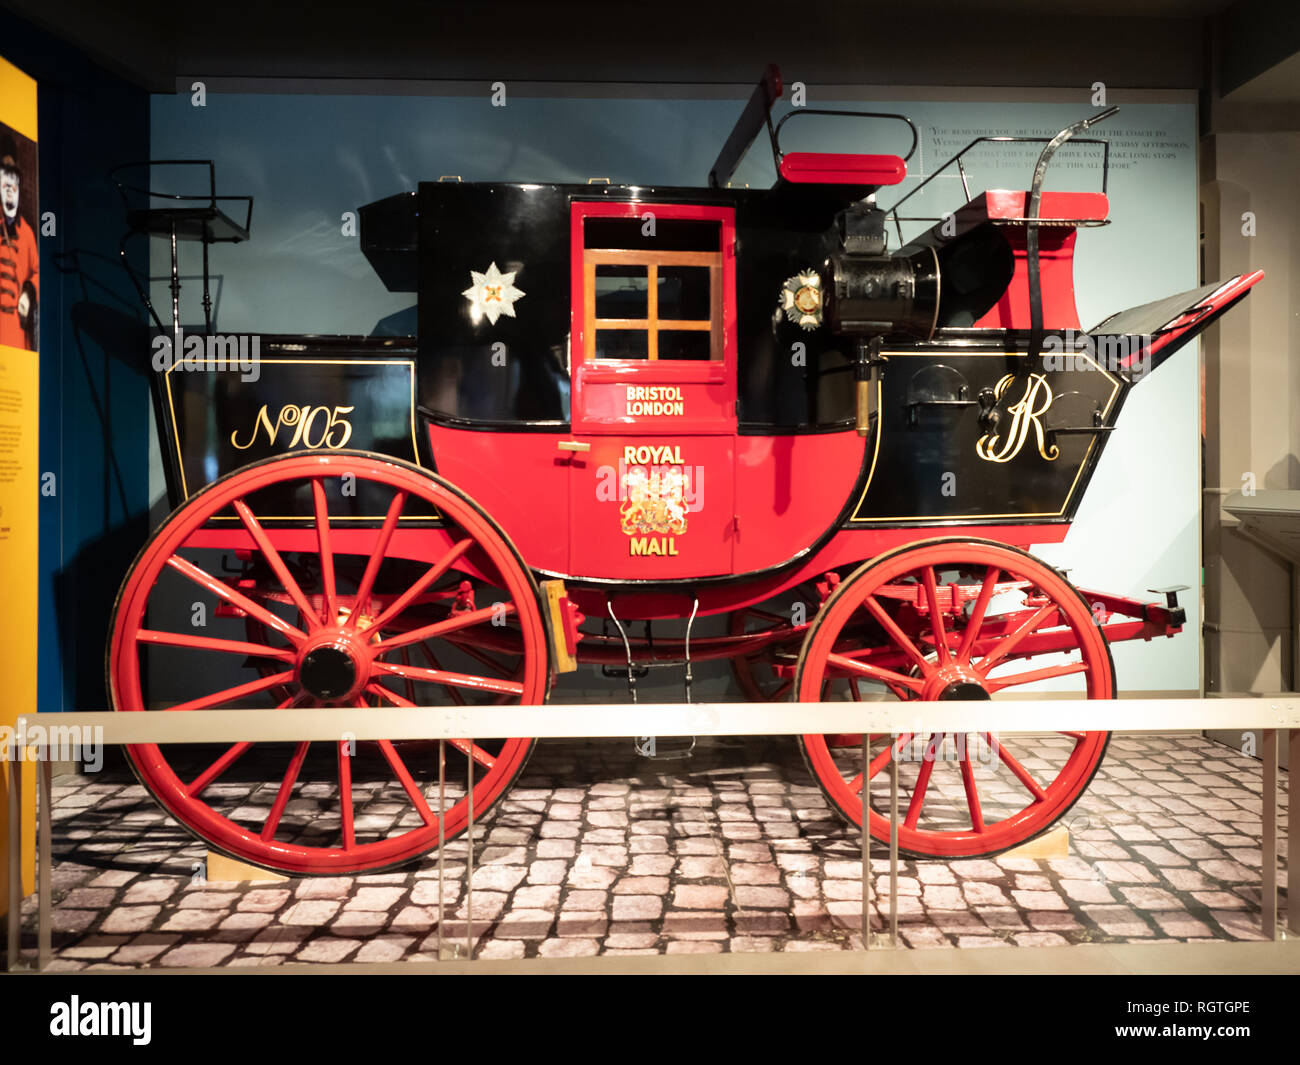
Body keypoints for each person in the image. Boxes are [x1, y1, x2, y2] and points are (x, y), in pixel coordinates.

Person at [0, 137, 38, 350]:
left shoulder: (27, 234)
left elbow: (38, 271)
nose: (9, 189)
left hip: (16, 338)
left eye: (14, 181)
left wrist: (29, 292)